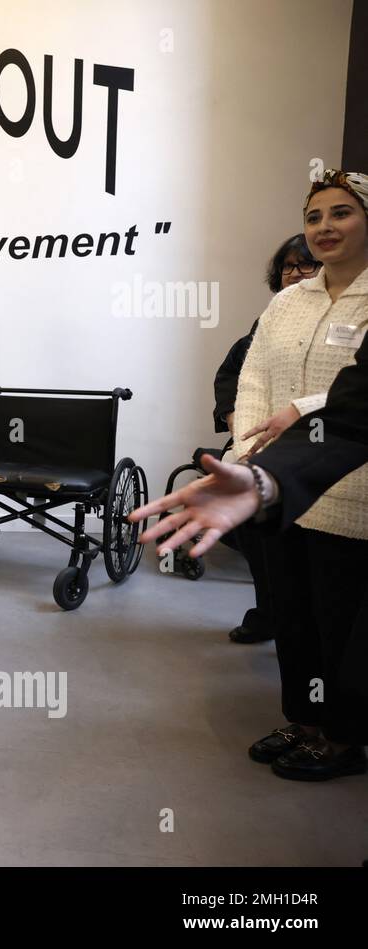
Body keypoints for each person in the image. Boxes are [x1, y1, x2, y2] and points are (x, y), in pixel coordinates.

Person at [135, 169, 368, 782]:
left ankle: (345, 736)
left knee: (342, 620)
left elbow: (357, 400)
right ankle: (306, 720)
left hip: (352, 487)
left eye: (342, 213)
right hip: (274, 487)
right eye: (315, 216)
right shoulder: (288, 302)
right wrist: (245, 462)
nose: (325, 227)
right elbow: (254, 380)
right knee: (293, 613)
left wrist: (307, 412)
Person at [210, 235, 319, 644]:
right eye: (288, 266)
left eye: (305, 265)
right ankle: (270, 611)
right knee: (255, 530)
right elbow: (233, 376)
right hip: (260, 445)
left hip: (322, 446)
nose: (294, 273)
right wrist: (239, 426)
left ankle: (304, 625)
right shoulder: (269, 319)